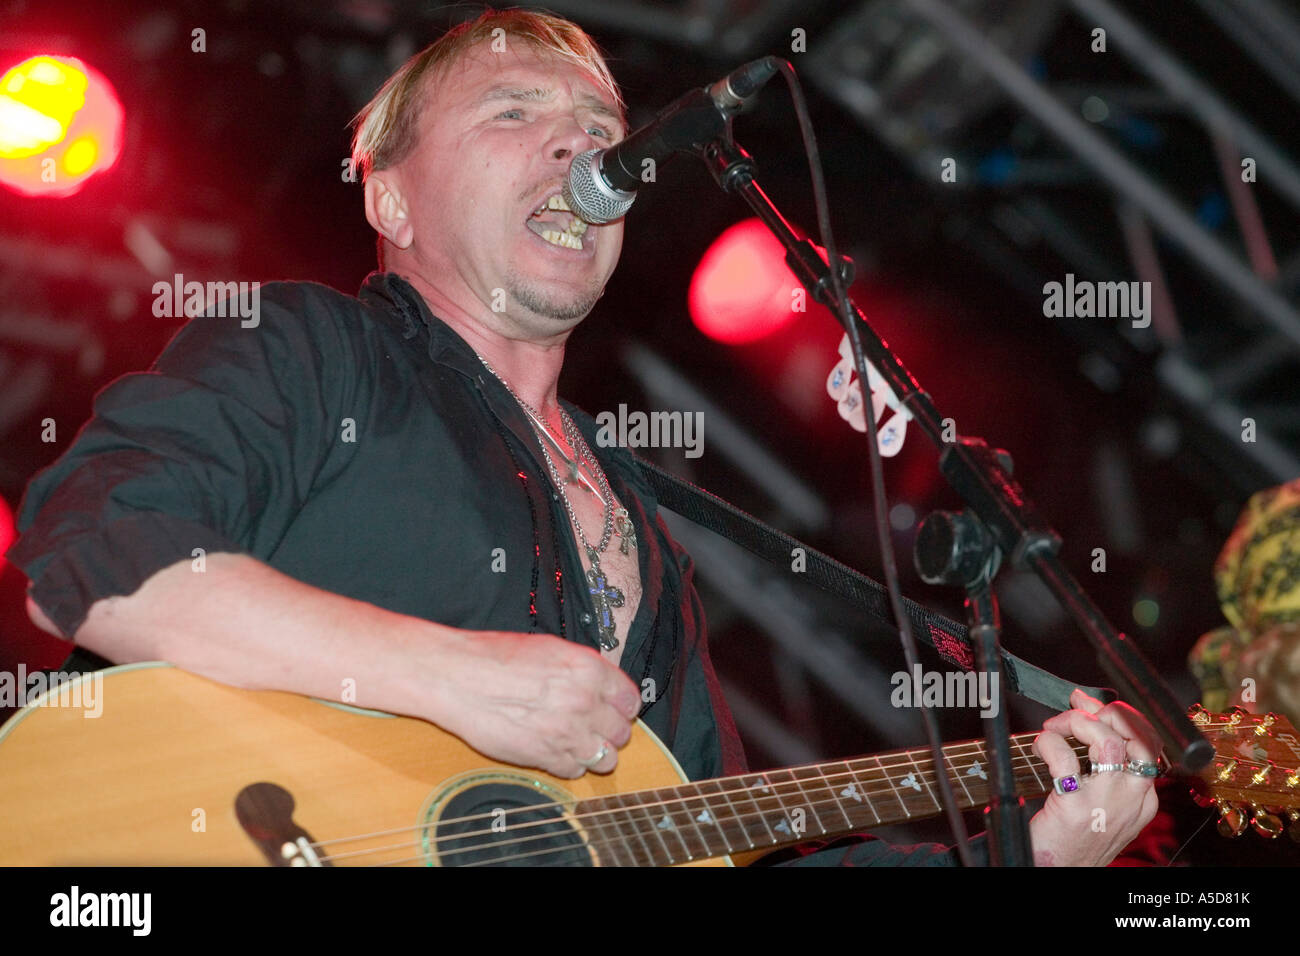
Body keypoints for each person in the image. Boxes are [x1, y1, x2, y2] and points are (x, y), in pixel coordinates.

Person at [5, 8, 1159, 866]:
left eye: (601, 127)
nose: (578, 149)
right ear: (390, 197)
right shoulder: (312, 349)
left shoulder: (643, 529)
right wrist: (444, 674)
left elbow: (712, 848)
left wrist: (1031, 853)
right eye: (513, 113)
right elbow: (91, 555)